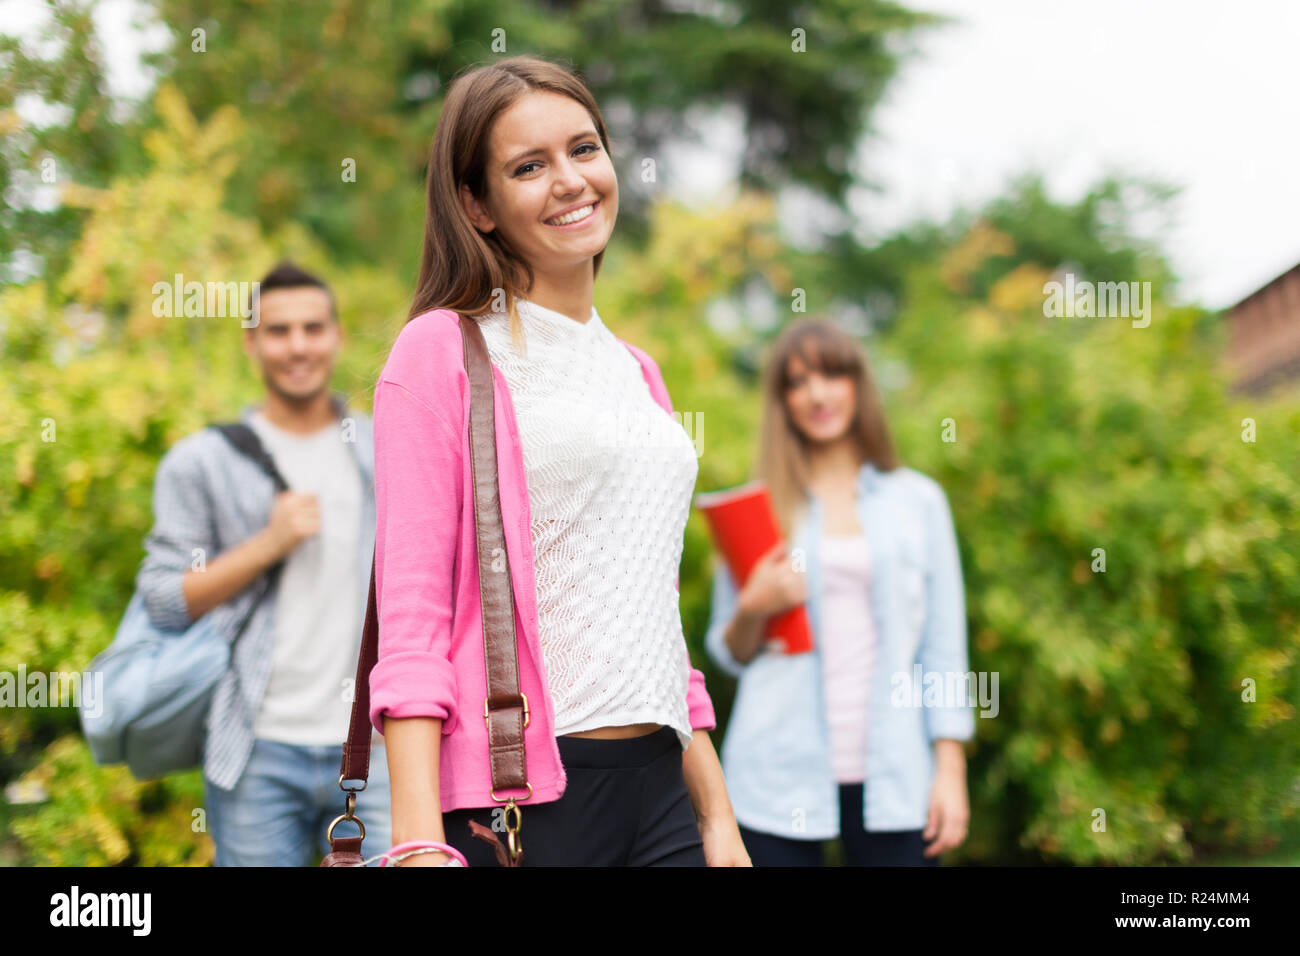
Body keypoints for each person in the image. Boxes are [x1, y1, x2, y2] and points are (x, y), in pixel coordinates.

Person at [368, 55, 750, 866]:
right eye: (529, 166)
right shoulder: (442, 350)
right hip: (529, 802)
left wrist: (717, 818)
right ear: (478, 204)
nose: (571, 181)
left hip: (663, 788)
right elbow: (411, 619)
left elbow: (651, 611)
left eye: (584, 149)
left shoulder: (638, 371)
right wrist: (414, 844)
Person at [135, 261, 391, 865]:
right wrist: (267, 544)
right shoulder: (201, 462)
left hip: (373, 749)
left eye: (312, 328)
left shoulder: (383, 447)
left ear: (337, 335)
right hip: (254, 750)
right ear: (251, 341)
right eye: (278, 331)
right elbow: (164, 600)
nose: (297, 346)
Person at [703, 317, 973, 866]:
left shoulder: (918, 502)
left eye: (831, 375)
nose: (817, 394)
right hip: (777, 773)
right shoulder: (760, 509)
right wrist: (754, 606)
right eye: (798, 382)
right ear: (782, 401)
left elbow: (943, 649)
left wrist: (950, 768)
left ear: (858, 387)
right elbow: (730, 653)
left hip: (896, 776)